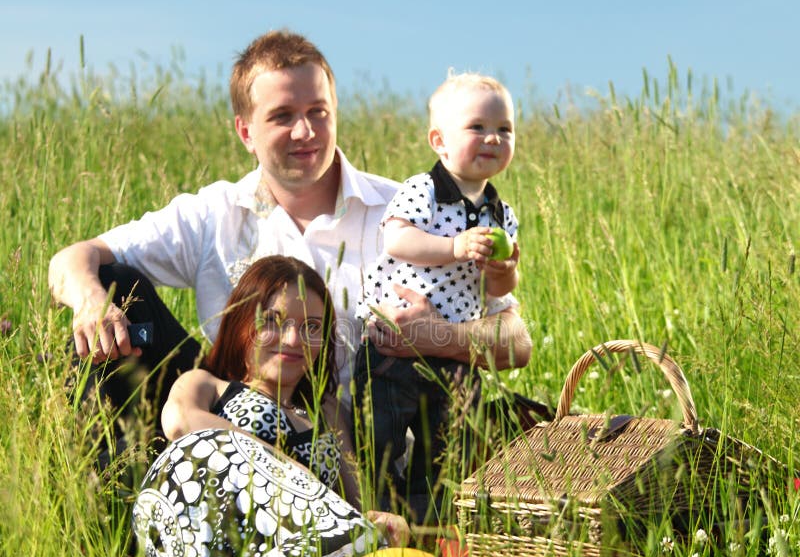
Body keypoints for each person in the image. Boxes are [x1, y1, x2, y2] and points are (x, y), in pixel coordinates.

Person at [47, 29, 532, 458]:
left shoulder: (408, 210)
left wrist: (437, 337)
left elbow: (516, 341)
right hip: (238, 428)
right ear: (246, 132)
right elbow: (71, 260)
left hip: (366, 446)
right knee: (114, 285)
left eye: (317, 112)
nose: (305, 132)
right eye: (282, 116)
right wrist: (93, 303)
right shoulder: (214, 212)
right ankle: (124, 517)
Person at [132, 255, 409, 557]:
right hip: (201, 543)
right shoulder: (209, 385)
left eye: (312, 328)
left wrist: (381, 522)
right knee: (207, 446)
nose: (294, 339)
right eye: (274, 321)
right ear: (242, 322)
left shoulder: (328, 413)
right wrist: (280, 464)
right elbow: (180, 425)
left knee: (369, 540)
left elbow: (353, 504)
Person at [354, 73, 521, 522]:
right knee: (380, 443)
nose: (493, 138)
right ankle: (379, 522)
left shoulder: (501, 213)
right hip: (392, 349)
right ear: (440, 141)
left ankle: (428, 526)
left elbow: (499, 293)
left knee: (450, 448)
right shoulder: (423, 189)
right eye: (477, 127)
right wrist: (455, 247)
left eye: (504, 129)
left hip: (456, 354)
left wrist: (502, 271)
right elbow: (397, 240)